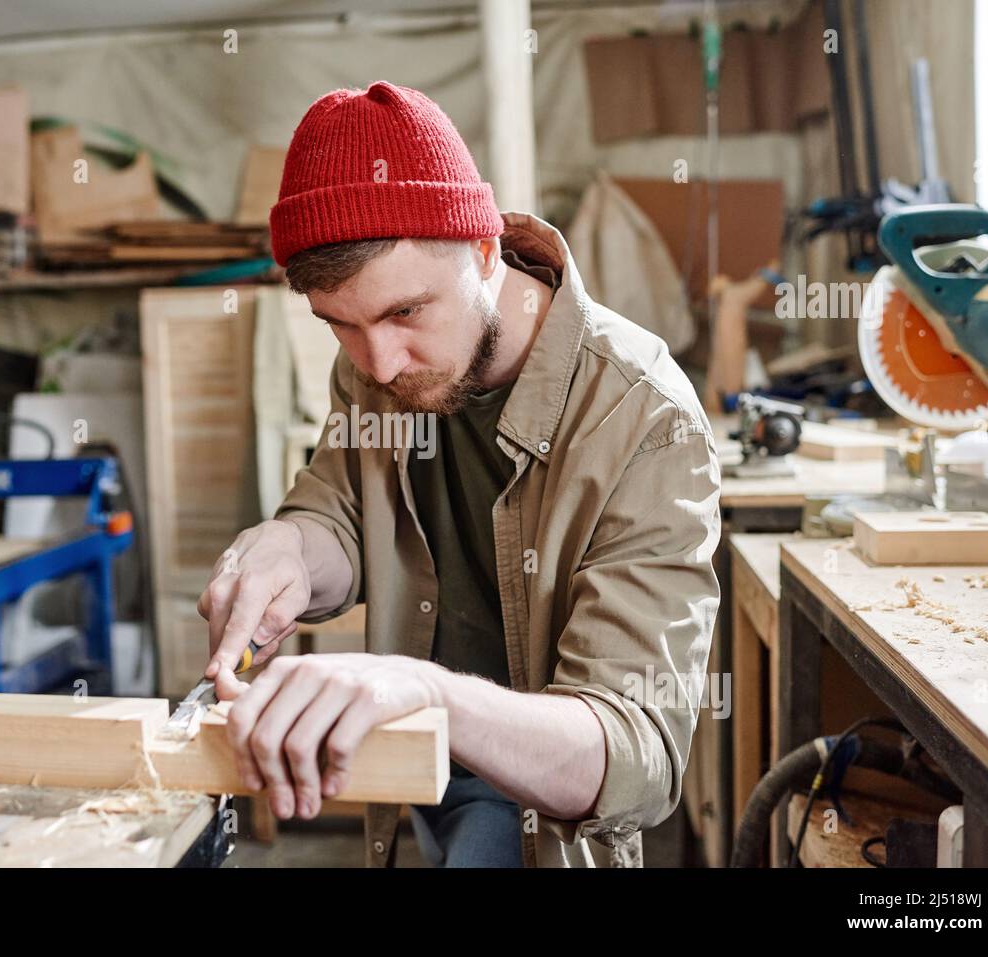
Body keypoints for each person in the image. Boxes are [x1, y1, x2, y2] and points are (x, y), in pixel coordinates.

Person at [197, 81, 721, 867]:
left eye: (405, 312)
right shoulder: (378, 364)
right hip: (418, 773)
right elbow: (344, 512)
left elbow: (636, 752)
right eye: (340, 324)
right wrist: (291, 550)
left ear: (484, 251)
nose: (378, 361)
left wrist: (427, 689)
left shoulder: (647, 418)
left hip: (543, 805)